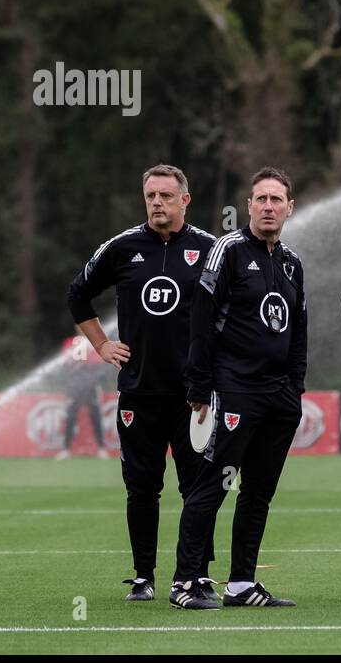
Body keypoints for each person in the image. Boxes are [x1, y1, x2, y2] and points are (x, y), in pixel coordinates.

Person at [66, 163, 218, 601]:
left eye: (166, 196)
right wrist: (101, 346)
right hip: (138, 391)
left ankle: (196, 574)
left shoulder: (209, 248)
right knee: (142, 487)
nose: (157, 203)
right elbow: (78, 293)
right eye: (150, 196)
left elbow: (227, 310)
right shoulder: (122, 247)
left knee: (197, 487)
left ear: (185, 200)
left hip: (193, 397)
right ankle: (143, 576)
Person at [172, 167, 307, 610]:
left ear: (290, 207)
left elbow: (298, 329)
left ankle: (242, 584)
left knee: (258, 493)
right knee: (212, 485)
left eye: (277, 200)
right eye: (261, 199)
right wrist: (198, 383)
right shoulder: (227, 251)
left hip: (279, 397)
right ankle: (186, 583)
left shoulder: (291, 263)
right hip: (233, 390)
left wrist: (296, 387)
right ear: (249, 205)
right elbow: (200, 320)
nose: (268, 207)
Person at [55, 335, 110, 460]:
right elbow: (66, 365)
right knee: (71, 417)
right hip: (75, 387)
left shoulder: (92, 342)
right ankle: (66, 449)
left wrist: (96, 382)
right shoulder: (70, 342)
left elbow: (98, 365)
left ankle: (101, 449)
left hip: (90, 386)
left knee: (95, 417)